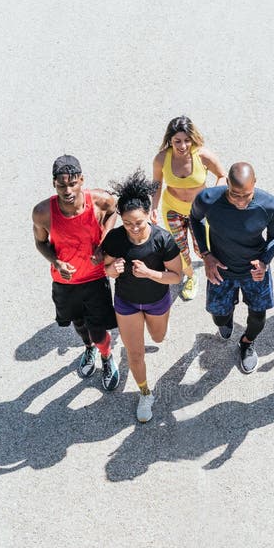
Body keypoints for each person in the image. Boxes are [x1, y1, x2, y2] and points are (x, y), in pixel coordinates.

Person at [32, 155, 120, 390]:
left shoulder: (100, 200)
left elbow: (114, 211)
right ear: (54, 184)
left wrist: (104, 239)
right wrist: (56, 262)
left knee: (98, 329)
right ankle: (89, 349)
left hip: (94, 277)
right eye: (62, 185)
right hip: (64, 281)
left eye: (72, 183)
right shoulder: (43, 212)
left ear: (82, 180)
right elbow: (40, 243)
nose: (68, 190)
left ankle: (106, 356)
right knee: (79, 324)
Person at [102, 170, 182, 423]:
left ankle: (148, 335)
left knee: (158, 337)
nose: (134, 229)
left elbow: (176, 276)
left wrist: (149, 273)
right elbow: (103, 267)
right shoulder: (115, 239)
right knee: (135, 354)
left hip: (157, 299)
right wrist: (110, 271)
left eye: (138, 222)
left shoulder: (162, 240)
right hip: (126, 303)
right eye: (127, 223)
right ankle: (145, 393)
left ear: (148, 215)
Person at [190, 162, 274, 374]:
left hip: (254, 272)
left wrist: (265, 261)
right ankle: (227, 319)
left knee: (258, 319)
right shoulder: (208, 199)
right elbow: (194, 219)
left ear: (255, 185)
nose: (240, 201)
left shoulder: (269, 205)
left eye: (246, 195)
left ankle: (247, 343)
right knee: (219, 318)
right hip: (221, 270)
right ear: (227, 183)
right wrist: (206, 254)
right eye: (234, 194)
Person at [152, 116, 227, 301]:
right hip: (172, 211)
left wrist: (213, 198)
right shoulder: (162, 158)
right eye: (177, 141)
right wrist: (153, 207)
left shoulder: (203, 155)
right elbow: (157, 183)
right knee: (179, 248)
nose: (183, 146)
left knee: (203, 247)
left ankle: (209, 267)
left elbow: (222, 175)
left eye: (187, 140)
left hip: (200, 211)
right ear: (169, 139)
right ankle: (191, 276)